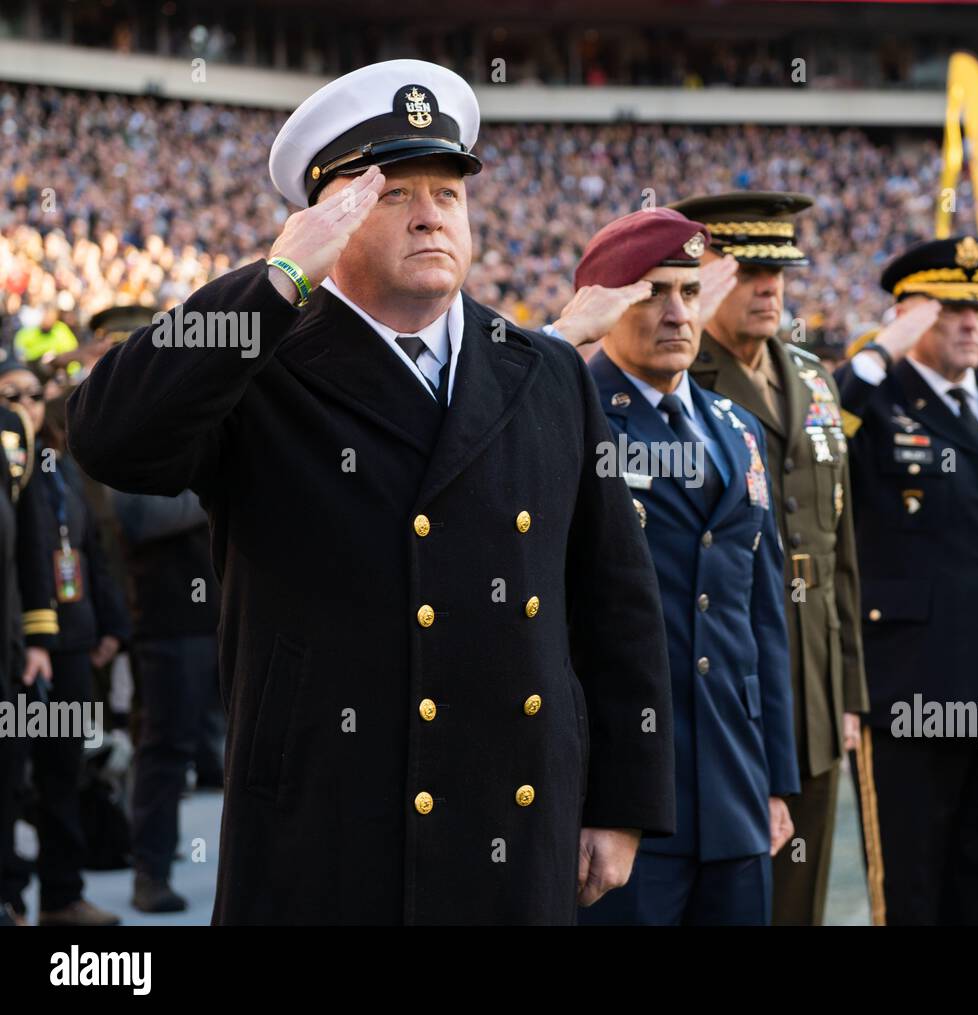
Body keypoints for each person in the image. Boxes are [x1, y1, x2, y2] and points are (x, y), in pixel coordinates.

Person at [65, 60, 674, 925]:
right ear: (328, 220)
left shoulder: (542, 370)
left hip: (514, 818)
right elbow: (107, 435)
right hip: (328, 824)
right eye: (393, 194)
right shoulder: (261, 365)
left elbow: (617, 598)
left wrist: (621, 801)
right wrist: (276, 281)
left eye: (448, 191)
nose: (431, 212)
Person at [573, 208, 799, 925]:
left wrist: (775, 779)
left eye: (690, 293)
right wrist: (589, 802)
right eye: (652, 292)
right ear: (605, 303)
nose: (676, 313)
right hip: (624, 800)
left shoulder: (739, 430)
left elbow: (763, 619)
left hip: (733, 785)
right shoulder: (570, 420)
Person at [835, 236, 978, 925]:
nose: (971, 323)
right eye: (949, 311)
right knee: (910, 886)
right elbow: (819, 439)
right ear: (908, 317)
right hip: (913, 685)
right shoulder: (875, 402)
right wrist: (879, 349)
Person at [667, 191, 871, 926]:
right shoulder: (679, 379)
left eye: (779, 270)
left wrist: (849, 687)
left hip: (811, 678)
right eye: (750, 269)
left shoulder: (813, 378)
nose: (769, 287)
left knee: (800, 890)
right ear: (707, 275)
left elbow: (838, 545)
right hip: (725, 676)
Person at [0, 363, 128, 926]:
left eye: (35, 393)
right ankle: (9, 899)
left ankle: (62, 895)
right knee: (9, 777)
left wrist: (110, 625)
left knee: (63, 774)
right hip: (26, 648)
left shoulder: (58, 467)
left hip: (69, 643)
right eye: (13, 394)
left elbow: (91, 551)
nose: (29, 402)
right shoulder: (14, 467)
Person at [111, 487, 223, 912]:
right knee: (167, 748)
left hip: (227, 615)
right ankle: (151, 871)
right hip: (171, 622)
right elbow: (138, 516)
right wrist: (222, 484)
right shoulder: (140, 440)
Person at [0, 398, 52, 926]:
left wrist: (36, 636)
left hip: (7, 641)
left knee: (10, 774)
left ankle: (8, 898)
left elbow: (30, 537)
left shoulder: (10, 428)